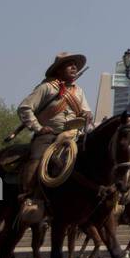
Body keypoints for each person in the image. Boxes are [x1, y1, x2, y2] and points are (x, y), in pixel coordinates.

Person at [16, 52, 91, 224]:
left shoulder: (78, 91)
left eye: (75, 65)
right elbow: (25, 108)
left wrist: (87, 114)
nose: (74, 67)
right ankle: (29, 195)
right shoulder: (46, 88)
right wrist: (39, 128)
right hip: (49, 135)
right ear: (59, 70)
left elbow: (86, 110)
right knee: (36, 158)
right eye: (69, 64)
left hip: (73, 134)